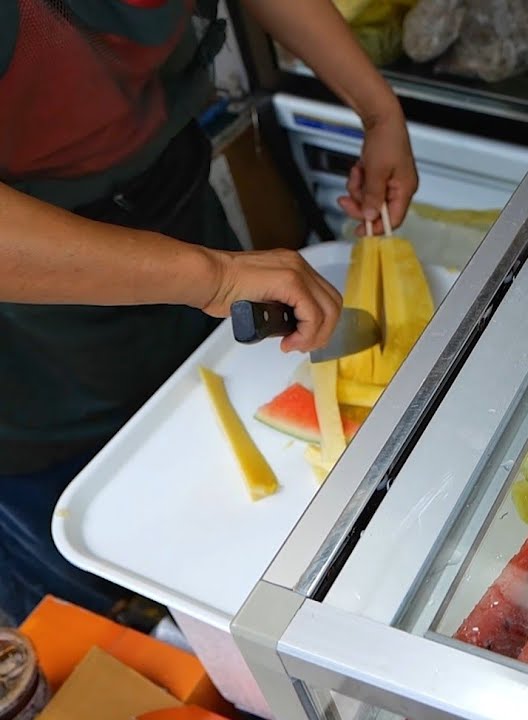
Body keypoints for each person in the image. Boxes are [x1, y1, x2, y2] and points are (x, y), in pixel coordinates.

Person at [0, 0, 419, 621]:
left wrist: (379, 110)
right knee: (105, 598)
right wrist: (215, 276)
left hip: (173, 202)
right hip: (31, 324)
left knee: (223, 456)